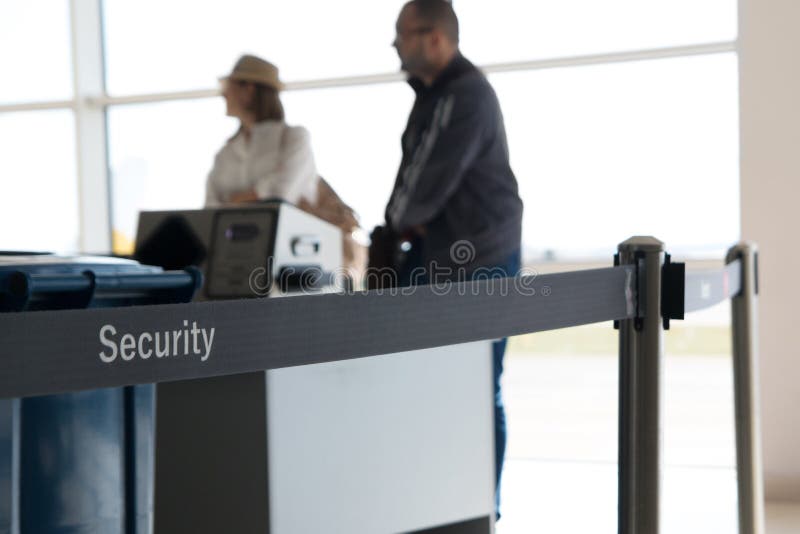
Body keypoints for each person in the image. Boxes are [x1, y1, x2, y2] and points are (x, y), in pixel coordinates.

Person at [385, 0, 524, 519]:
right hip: (442, 255)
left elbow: (419, 190)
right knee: (426, 382)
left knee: (479, 385)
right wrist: (405, 219)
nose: (395, 44)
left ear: (435, 38)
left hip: (478, 258)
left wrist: (399, 220)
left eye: (402, 33)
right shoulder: (434, 96)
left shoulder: (462, 94)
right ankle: (441, 501)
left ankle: (481, 509)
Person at [205, 54, 318, 207]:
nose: (223, 94)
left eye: (229, 86)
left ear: (249, 89)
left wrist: (232, 201)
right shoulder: (226, 152)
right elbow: (210, 204)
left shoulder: (294, 137)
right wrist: (250, 197)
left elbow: (281, 191)